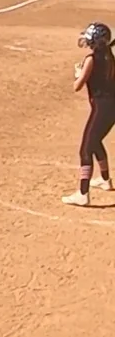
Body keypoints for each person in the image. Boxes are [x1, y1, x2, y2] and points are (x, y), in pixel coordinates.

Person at [64, 22, 115, 206]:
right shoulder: (109, 56)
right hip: (111, 108)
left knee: (85, 149)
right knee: (95, 141)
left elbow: (77, 86)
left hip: (101, 108)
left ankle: (82, 193)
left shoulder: (91, 59)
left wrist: (78, 74)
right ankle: (105, 180)